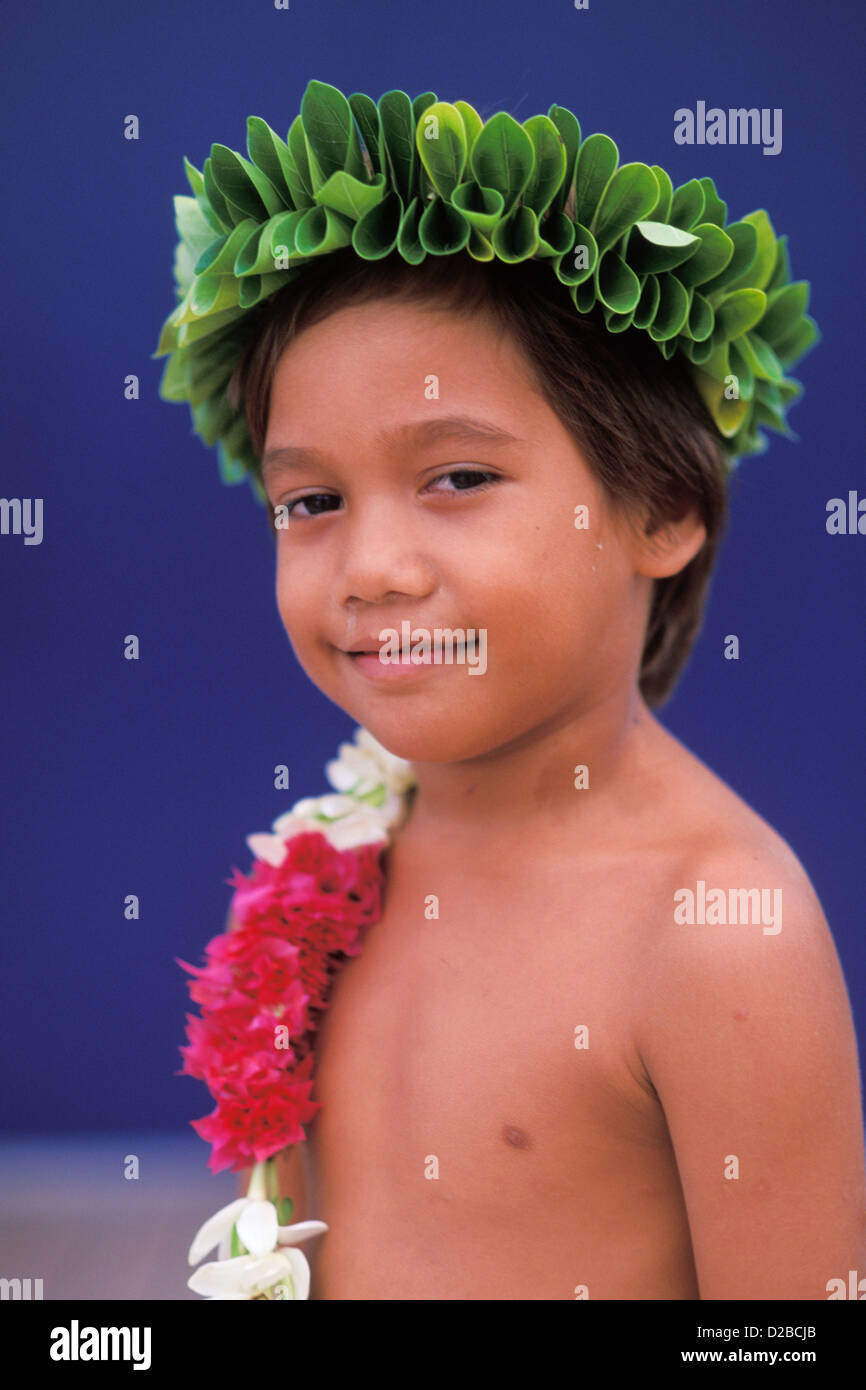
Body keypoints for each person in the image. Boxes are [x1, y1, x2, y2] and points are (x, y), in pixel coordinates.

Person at [158, 81, 865, 1299]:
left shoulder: (716, 929)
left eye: (458, 476)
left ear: (659, 507)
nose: (370, 569)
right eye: (310, 503)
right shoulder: (335, 870)